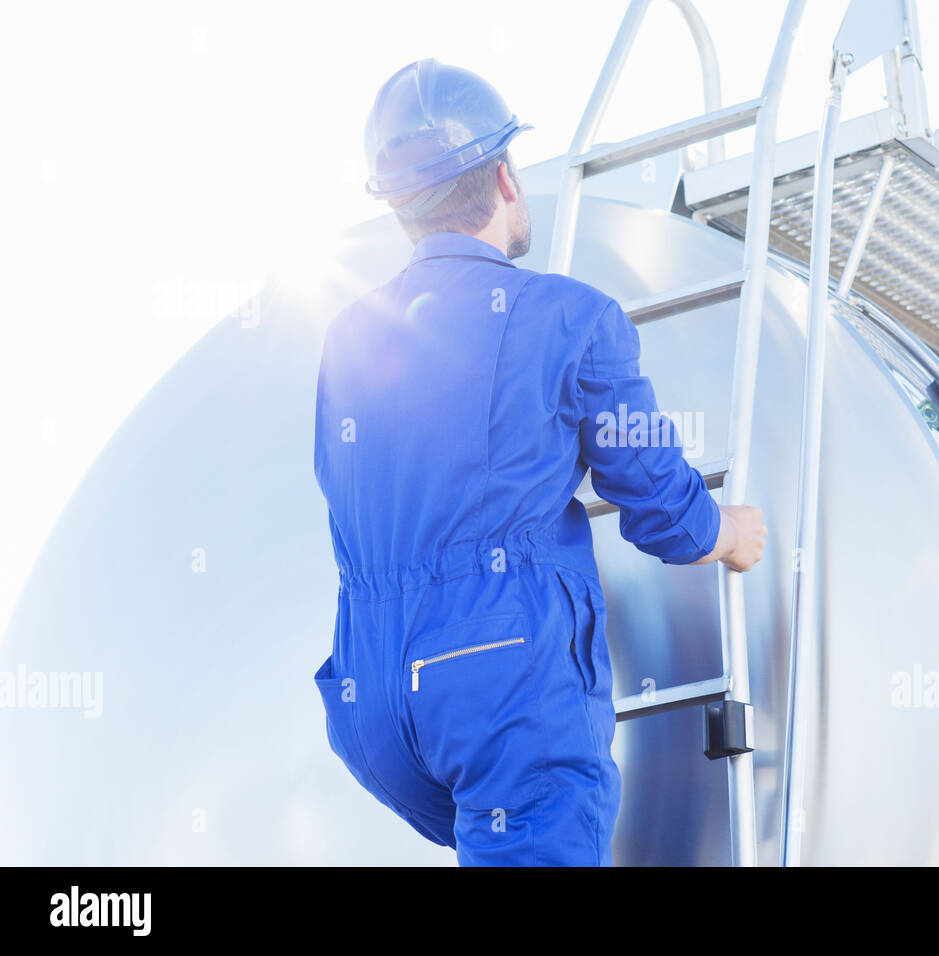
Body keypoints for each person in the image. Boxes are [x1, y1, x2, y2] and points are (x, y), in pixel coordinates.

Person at [312, 59, 766, 866]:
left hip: (368, 694)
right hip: (498, 686)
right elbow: (660, 507)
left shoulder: (348, 337)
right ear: (504, 176)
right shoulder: (570, 317)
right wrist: (730, 532)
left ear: (400, 207)